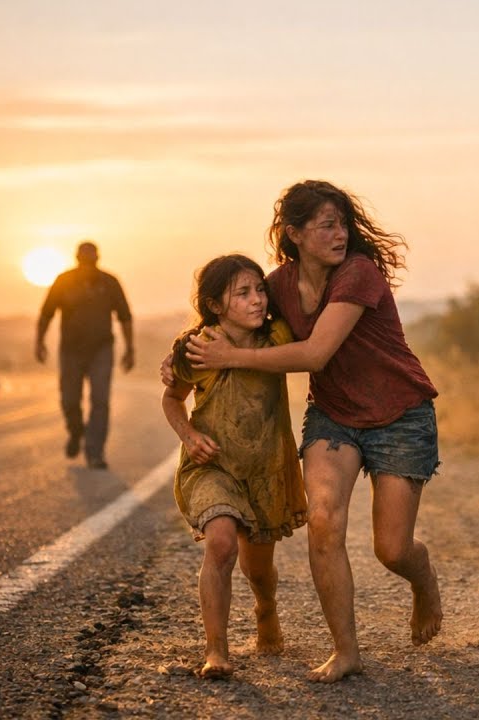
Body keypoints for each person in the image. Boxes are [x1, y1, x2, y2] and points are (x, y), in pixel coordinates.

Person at [169, 180, 442, 683]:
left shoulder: (359, 273)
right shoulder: (277, 286)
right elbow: (231, 314)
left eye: (343, 223)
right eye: (326, 225)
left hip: (400, 414)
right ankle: (346, 651)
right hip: (334, 415)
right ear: (293, 234)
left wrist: (231, 357)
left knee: (393, 550)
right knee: (322, 519)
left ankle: (422, 580)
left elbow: (315, 353)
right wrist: (184, 355)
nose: (340, 234)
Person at [162, 253, 308, 679]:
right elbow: (172, 399)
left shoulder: (277, 335)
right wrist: (190, 437)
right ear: (215, 305)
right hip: (213, 467)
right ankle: (217, 651)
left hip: (264, 468)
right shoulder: (197, 348)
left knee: (258, 568)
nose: (257, 300)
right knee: (222, 543)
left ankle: (265, 607)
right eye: (242, 293)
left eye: (260, 290)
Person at [35, 240, 134, 469]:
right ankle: (76, 431)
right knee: (69, 399)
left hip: (102, 349)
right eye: (84, 260)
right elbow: (46, 313)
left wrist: (130, 350)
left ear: (98, 259)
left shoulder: (109, 282)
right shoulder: (63, 281)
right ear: (76, 259)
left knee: (100, 401)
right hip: (70, 350)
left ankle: (95, 452)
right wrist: (39, 342)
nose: (88, 264)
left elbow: (125, 316)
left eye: (92, 260)